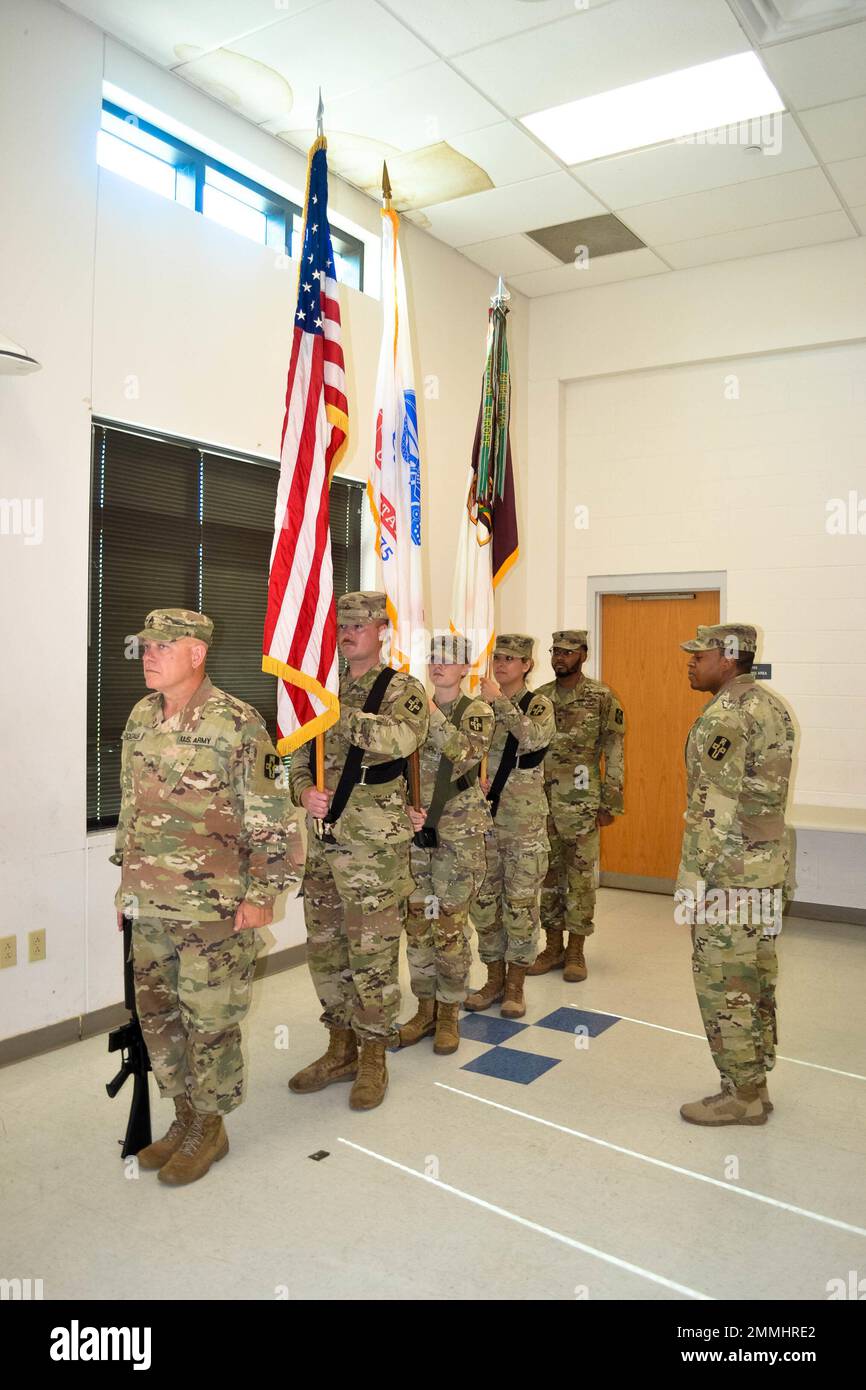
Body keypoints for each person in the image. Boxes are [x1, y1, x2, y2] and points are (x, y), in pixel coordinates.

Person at [112, 608, 299, 1185]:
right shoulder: (141, 715)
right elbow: (130, 805)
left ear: (196, 653)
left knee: (210, 1019)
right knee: (159, 1015)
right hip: (149, 903)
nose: (147, 655)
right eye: (145, 645)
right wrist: (125, 886)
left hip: (214, 906)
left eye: (161, 646)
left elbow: (272, 815)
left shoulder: (236, 722)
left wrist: (263, 893)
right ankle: (183, 1115)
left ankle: (210, 1128)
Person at [287, 592, 428, 1110]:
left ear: (381, 631)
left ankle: (374, 1055)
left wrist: (336, 713)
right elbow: (298, 754)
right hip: (323, 843)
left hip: (374, 849)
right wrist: (302, 790)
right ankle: (339, 1045)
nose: (348, 634)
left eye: (359, 625)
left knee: (372, 956)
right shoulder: (319, 688)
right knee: (325, 950)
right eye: (341, 626)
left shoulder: (402, 688)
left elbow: (401, 739)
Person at [676, 623, 796, 1127]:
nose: (690, 662)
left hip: (730, 875)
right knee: (756, 976)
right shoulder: (772, 706)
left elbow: (712, 810)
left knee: (726, 982)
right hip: (766, 868)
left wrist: (690, 878)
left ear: (726, 659)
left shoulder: (725, 716)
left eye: (698, 654)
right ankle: (756, 1083)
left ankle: (739, 1095)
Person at [399, 634, 494, 1055]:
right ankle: (424, 1008)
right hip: (417, 833)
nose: (438, 665)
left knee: (450, 927)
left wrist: (431, 713)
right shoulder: (409, 712)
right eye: (433, 658)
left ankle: (450, 1013)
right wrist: (403, 808)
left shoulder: (477, 712)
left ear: (464, 668)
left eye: (448, 660)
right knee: (417, 923)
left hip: (459, 834)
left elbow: (463, 754)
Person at [465, 635, 555, 1019]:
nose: (501, 665)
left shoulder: (538, 704)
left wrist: (499, 701)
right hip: (482, 819)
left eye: (510, 659)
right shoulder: (478, 706)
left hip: (522, 822)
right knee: (485, 904)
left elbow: (532, 738)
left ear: (527, 665)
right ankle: (493, 978)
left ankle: (516, 985)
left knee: (520, 904)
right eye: (497, 658)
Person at [532, 630, 625, 982]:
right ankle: (552, 945)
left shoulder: (601, 697)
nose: (559, 658)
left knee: (581, 878)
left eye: (568, 652)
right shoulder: (539, 698)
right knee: (549, 876)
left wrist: (610, 802)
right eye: (556, 651)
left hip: (583, 804)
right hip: (543, 802)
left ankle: (576, 951)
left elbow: (614, 750)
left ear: (583, 655)